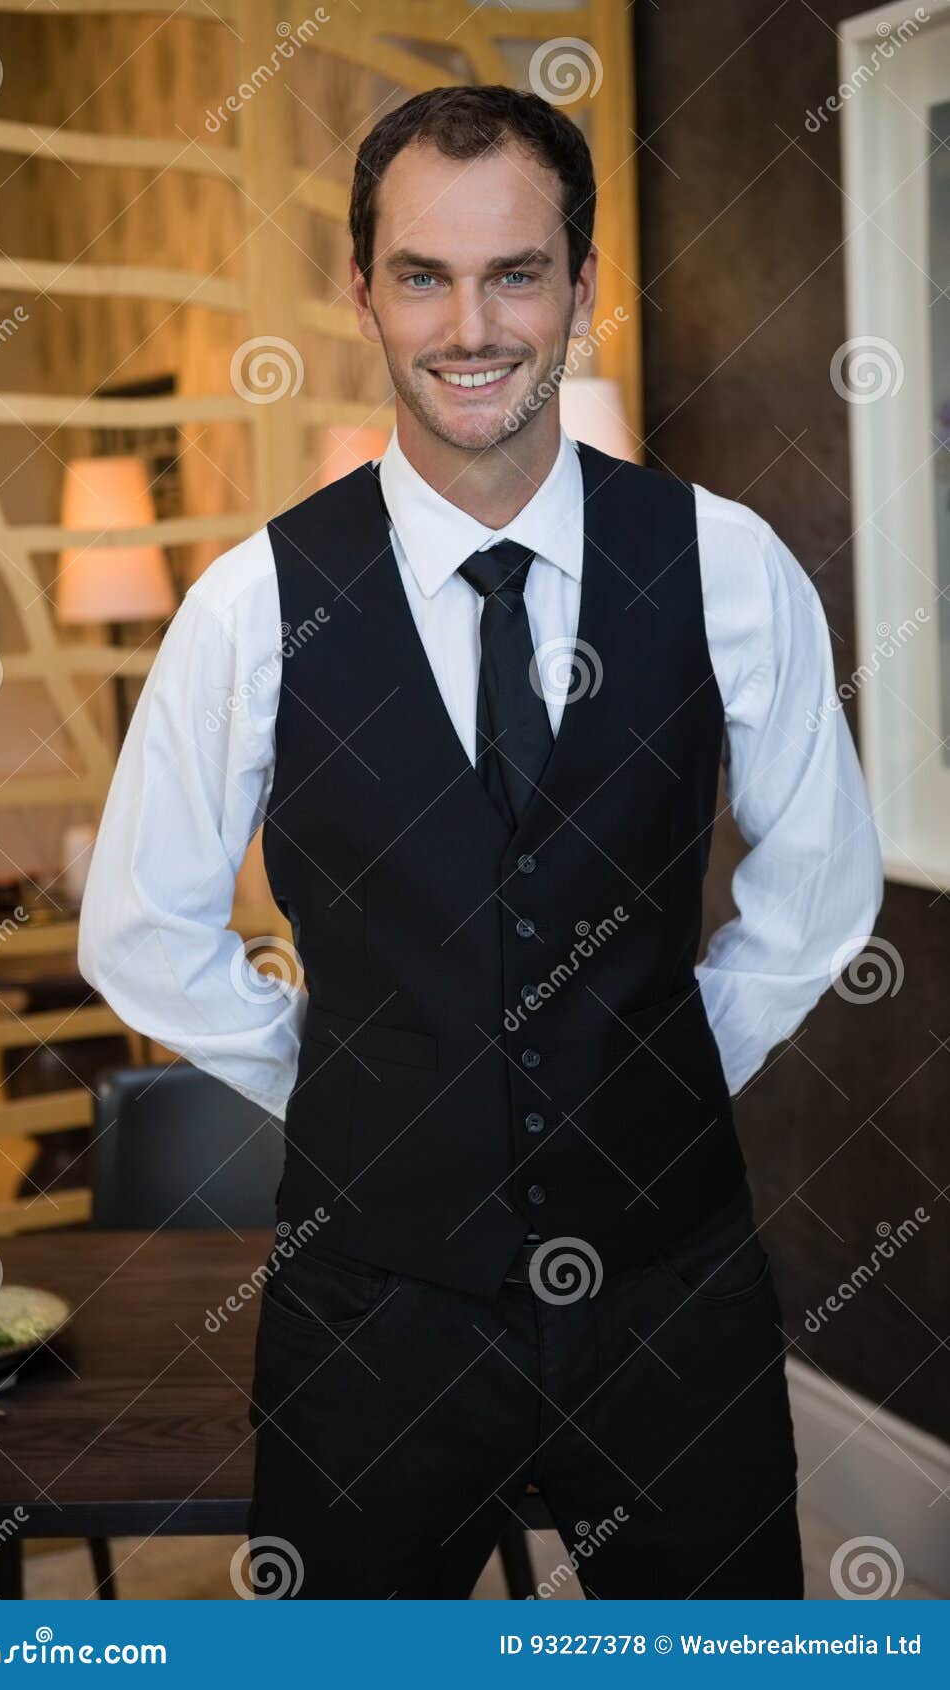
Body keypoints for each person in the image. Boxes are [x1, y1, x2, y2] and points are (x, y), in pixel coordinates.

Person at [78, 84, 884, 1598]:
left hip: (670, 1293)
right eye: (424, 275)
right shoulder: (254, 603)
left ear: (582, 288)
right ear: (361, 290)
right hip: (375, 1315)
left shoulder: (723, 564)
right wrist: (353, 1081)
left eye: (516, 272)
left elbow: (820, 884)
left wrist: (668, 1058)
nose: (472, 326)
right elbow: (141, 927)